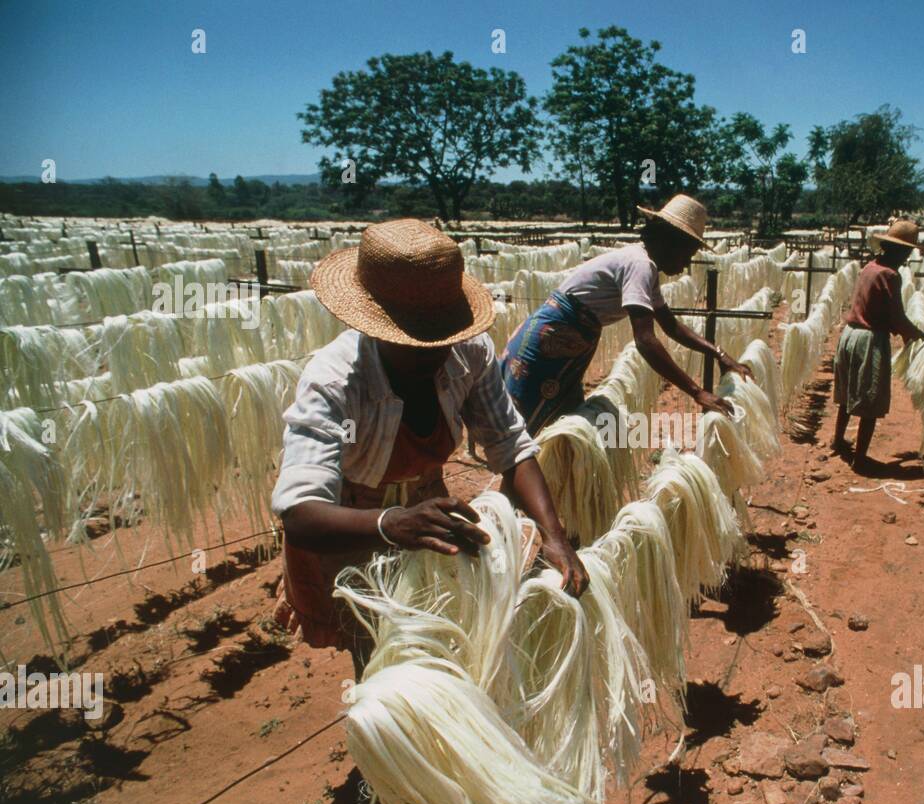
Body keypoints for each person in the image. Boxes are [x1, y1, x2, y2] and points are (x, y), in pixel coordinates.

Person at [271, 219, 587, 677]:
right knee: (379, 647)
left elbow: (510, 445)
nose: (436, 353)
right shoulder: (334, 383)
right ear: (375, 327)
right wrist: (388, 523)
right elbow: (300, 514)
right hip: (352, 524)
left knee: (439, 628)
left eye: (444, 337)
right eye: (416, 344)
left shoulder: (468, 353)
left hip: (423, 509)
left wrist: (554, 535)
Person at [500, 194, 749, 432]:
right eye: (687, 255)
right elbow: (645, 340)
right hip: (547, 348)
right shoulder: (640, 265)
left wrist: (719, 354)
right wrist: (696, 392)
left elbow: (671, 326)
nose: (685, 265)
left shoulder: (645, 266)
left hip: (565, 347)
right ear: (671, 241)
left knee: (559, 430)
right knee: (525, 444)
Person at [832, 220, 924, 472]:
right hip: (869, 340)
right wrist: (920, 336)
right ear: (901, 251)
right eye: (907, 251)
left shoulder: (870, 267)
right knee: (869, 402)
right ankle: (860, 459)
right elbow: (896, 317)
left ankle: (837, 441)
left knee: (846, 395)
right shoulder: (890, 275)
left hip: (849, 335)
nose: (908, 255)